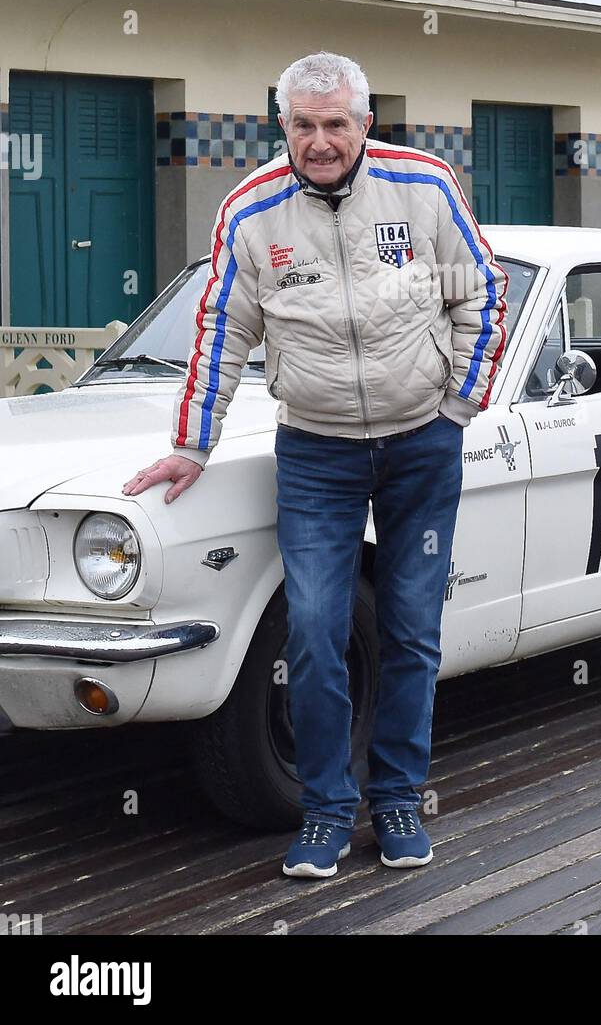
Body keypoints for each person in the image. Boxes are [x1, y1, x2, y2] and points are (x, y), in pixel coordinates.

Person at [122, 51, 508, 878]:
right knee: (314, 630)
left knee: (410, 627)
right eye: (304, 124)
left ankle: (398, 799)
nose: (321, 140)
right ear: (283, 128)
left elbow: (481, 291)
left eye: (337, 123)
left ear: (365, 125)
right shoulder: (252, 211)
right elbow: (221, 331)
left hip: (420, 445)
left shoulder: (425, 186)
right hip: (315, 453)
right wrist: (193, 445)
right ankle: (328, 811)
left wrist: (458, 407)